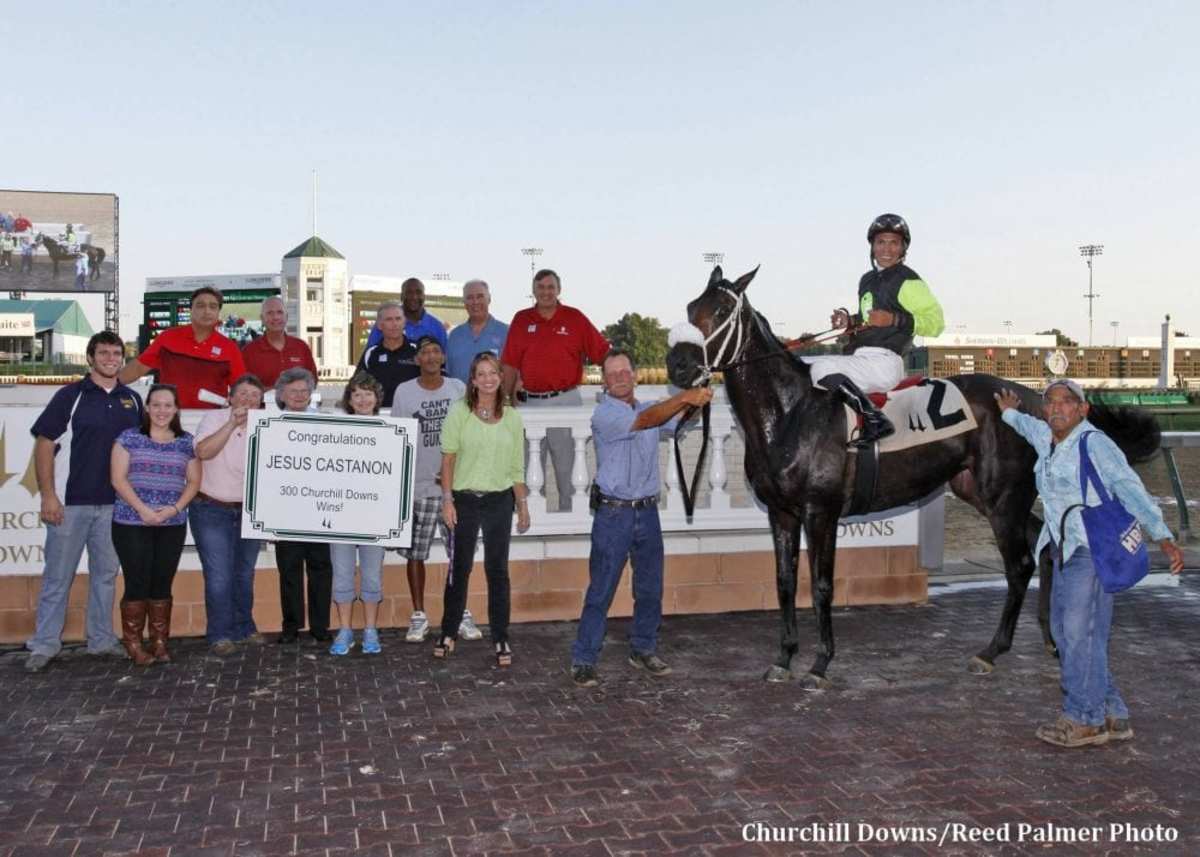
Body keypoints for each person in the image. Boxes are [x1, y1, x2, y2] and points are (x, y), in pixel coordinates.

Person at [995, 380, 1185, 748]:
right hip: (1063, 550)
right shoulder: (1048, 440)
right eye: (1050, 402)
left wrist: (1163, 536)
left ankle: (1085, 718)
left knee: (1076, 635)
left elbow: (1131, 488)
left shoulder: (1094, 444)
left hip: (1091, 550)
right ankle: (1112, 712)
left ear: (1083, 410)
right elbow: (1028, 426)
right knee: (1073, 635)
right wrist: (1009, 412)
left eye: (1067, 402)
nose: (1056, 408)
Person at [571, 350, 713, 687]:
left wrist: (698, 396)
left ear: (635, 375)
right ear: (604, 380)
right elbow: (649, 421)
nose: (619, 377)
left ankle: (643, 648)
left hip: (647, 512)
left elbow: (677, 422)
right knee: (601, 590)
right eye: (612, 373)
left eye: (624, 371)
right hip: (613, 513)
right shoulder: (605, 413)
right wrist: (685, 397)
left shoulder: (648, 407)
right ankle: (584, 658)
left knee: (650, 589)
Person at [24, 331, 144, 673]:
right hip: (71, 504)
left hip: (115, 506)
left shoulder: (132, 400)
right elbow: (45, 444)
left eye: (116, 353)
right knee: (58, 577)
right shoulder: (70, 396)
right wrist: (48, 494)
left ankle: (101, 640)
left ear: (122, 358)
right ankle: (45, 644)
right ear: (90, 358)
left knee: (106, 575)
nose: (110, 358)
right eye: (103, 353)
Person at [802, 213, 944, 446]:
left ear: (902, 248)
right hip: (860, 359)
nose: (886, 249)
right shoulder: (867, 280)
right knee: (802, 366)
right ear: (872, 246)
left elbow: (936, 322)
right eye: (881, 242)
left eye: (894, 242)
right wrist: (849, 323)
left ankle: (875, 420)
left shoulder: (909, 281)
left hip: (884, 363)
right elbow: (870, 320)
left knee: (820, 367)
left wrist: (893, 319)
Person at [436, 352, 531, 666]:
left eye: (494, 373)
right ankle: (448, 632)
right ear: (473, 380)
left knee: (498, 570)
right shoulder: (458, 412)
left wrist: (522, 505)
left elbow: (517, 467)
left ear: (500, 377)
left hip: (499, 501)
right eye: (482, 374)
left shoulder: (514, 418)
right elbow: (448, 459)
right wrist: (447, 500)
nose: (488, 379)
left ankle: (501, 636)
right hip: (464, 499)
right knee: (459, 569)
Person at [501, 268, 609, 511]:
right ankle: (528, 518)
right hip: (529, 404)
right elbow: (509, 364)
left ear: (559, 290)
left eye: (550, 287)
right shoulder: (521, 319)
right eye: (540, 288)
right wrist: (505, 402)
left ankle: (570, 517)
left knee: (566, 467)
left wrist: (615, 375)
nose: (546, 292)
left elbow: (602, 351)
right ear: (533, 291)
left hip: (565, 401)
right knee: (527, 465)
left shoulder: (575, 318)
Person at [391, 337, 476, 643]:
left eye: (435, 352)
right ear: (417, 360)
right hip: (419, 486)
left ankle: (460, 611)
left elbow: (471, 431)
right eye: (424, 352)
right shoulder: (405, 392)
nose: (430, 356)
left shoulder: (457, 388)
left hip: (454, 487)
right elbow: (398, 437)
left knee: (459, 553)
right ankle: (418, 615)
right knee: (416, 552)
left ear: (443, 357)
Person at [110, 384, 201, 665]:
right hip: (131, 522)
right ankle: (134, 643)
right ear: (147, 408)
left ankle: (160, 641)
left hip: (172, 523)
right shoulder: (128, 438)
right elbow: (118, 479)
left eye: (168, 405)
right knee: (137, 582)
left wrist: (173, 509)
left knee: (162, 582)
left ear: (176, 409)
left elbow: (194, 482)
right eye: (157, 404)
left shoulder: (187, 442)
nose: (162, 410)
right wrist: (144, 510)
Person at [193, 374, 267, 655]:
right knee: (219, 576)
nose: (248, 400)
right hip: (212, 508)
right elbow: (203, 452)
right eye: (243, 394)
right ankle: (220, 634)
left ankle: (244, 628)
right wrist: (231, 424)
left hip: (248, 510)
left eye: (254, 396)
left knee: (244, 574)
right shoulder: (214, 419)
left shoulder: (267, 425)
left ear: (260, 402)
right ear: (231, 397)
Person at [328, 372, 389, 656]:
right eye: (357, 394)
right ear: (349, 401)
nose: (363, 399)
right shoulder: (335, 431)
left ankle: (370, 630)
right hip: (340, 515)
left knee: (372, 577)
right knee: (341, 575)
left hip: (374, 516)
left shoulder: (390, 432)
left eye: (368, 393)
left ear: (377, 399)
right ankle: (344, 630)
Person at [272, 368, 333, 644]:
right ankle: (291, 626)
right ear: (281, 394)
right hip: (285, 509)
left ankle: (320, 628)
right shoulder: (269, 425)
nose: (299, 396)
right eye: (293, 391)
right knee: (289, 570)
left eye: (304, 391)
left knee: (321, 568)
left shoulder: (326, 423)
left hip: (319, 508)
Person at [121, 286, 248, 409]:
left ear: (218, 313)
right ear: (191, 310)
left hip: (213, 420)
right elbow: (137, 368)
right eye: (200, 305)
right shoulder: (168, 338)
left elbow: (241, 389)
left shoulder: (230, 348)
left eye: (213, 307)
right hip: (170, 418)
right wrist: (106, 387)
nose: (207, 311)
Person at [240, 296, 318, 387]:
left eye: (280, 312)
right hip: (262, 401)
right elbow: (242, 387)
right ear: (262, 318)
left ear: (287, 317)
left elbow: (313, 382)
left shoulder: (301, 347)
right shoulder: (249, 352)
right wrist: (272, 393)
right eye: (270, 313)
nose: (275, 317)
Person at [356, 300, 420, 408]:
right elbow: (357, 385)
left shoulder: (418, 350)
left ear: (404, 323)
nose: (394, 324)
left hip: (413, 415)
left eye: (398, 319)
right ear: (380, 325)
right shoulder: (371, 354)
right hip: (381, 416)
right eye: (389, 319)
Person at [364, 277, 448, 352]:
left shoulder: (437, 327)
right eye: (409, 292)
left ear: (424, 296)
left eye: (418, 292)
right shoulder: (385, 323)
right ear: (401, 296)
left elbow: (445, 361)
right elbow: (369, 356)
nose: (414, 297)